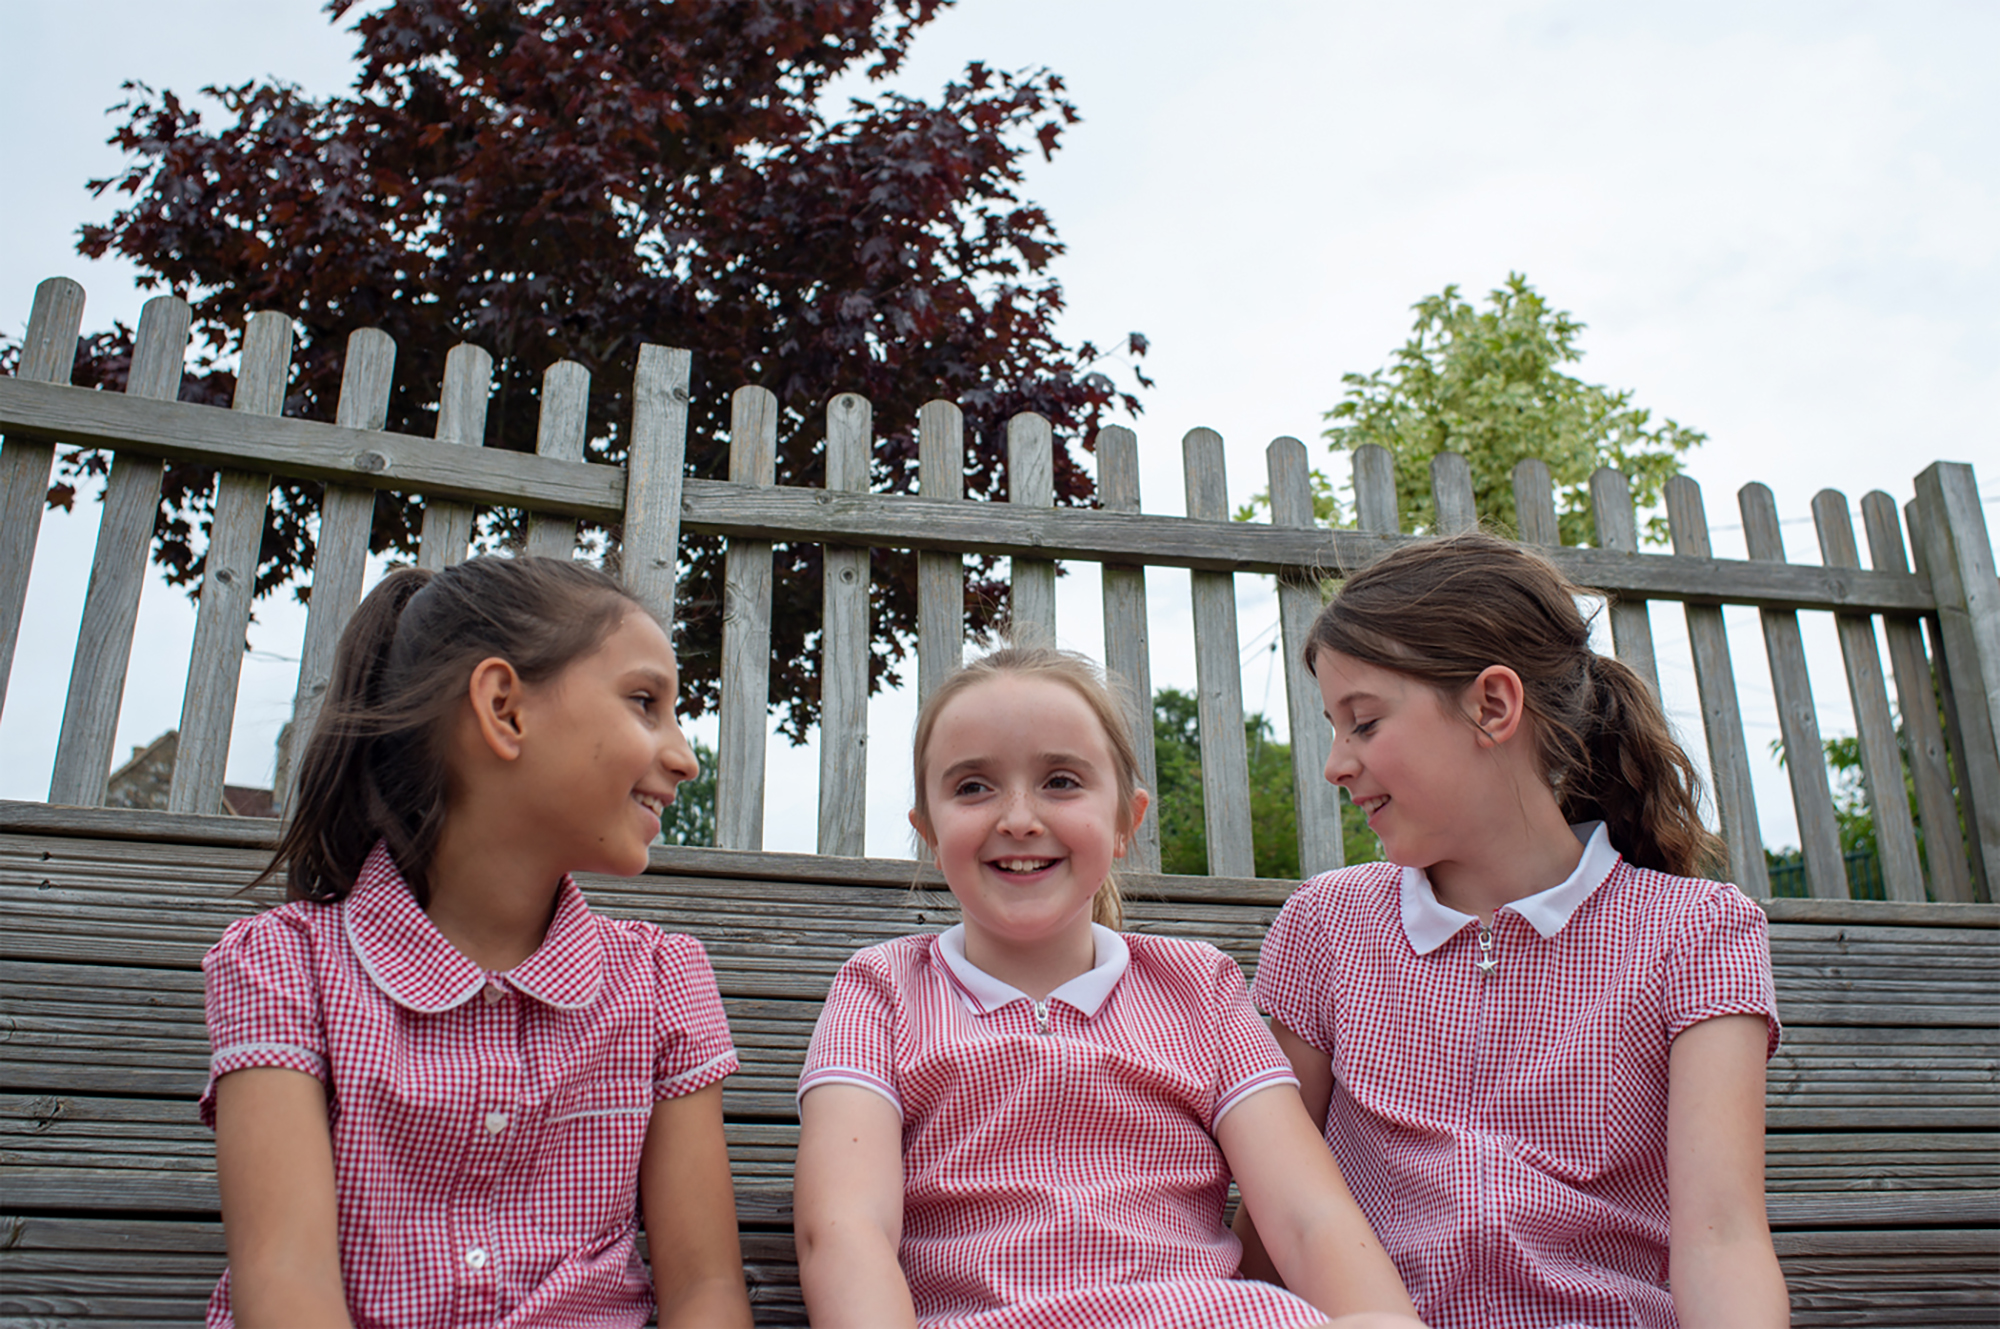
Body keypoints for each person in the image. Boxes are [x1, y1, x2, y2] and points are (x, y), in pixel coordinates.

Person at [1234, 533, 1788, 1329]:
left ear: (1493, 705)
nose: (1334, 764)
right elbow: (1272, 1223)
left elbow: (1723, 1236)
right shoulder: (1326, 926)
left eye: (1362, 723)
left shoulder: (1697, 933)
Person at [793, 646, 1424, 1329]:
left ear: (1127, 818)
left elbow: (1309, 1215)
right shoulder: (881, 990)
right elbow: (845, 1229)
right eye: (973, 787)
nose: (1018, 818)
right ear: (928, 829)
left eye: (1061, 781)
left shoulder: (1199, 987)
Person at [199, 557, 752, 1329]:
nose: (684, 756)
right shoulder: (283, 967)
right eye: (643, 702)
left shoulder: (662, 980)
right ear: (504, 708)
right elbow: (285, 1281)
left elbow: (706, 1293)